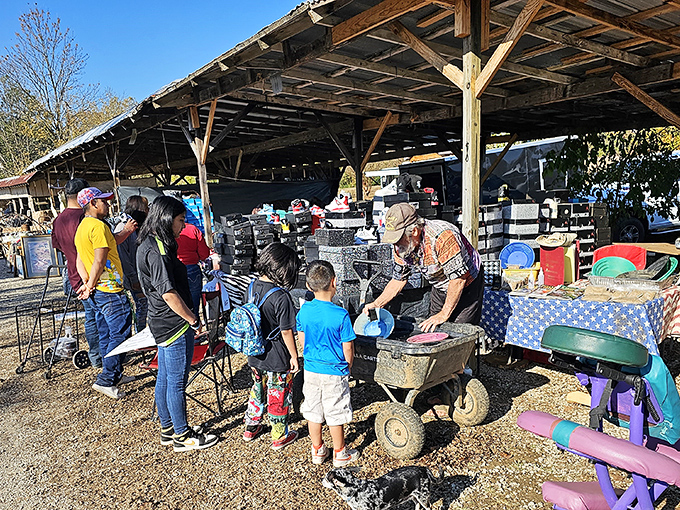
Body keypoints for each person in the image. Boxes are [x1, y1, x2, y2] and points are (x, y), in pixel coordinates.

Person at [136, 196, 218, 452]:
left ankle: (168, 429)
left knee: (165, 376)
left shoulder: (155, 243)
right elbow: (168, 293)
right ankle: (181, 436)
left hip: (165, 321)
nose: (183, 227)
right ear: (165, 218)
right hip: (172, 323)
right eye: (180, 221)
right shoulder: (155, 250)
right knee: (176, 381)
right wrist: (193, 319)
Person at [365, 203, 484, 332]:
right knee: (433, 328)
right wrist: (377, 304)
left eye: (399, 239)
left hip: (466, 282)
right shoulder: (401, 246)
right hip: (440, 282)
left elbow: (458, 279)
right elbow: (399, 279)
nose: (396, 245)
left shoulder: (442, 237)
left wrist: (444, 314)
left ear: (415, 231)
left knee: (460, 330)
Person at [296, 260, 359, 467]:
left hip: (311, 368)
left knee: (313, 409)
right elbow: (347, 346)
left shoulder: (304, 311)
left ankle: (318, 450)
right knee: (335, 411)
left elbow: (302, 338)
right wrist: (348, 364)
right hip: (334, 370)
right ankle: (340, 452)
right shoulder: (340, 315)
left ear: (308, 286)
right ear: (335, 282)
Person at [74, 187, 135, 399]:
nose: (108, 205)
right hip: (109, 289)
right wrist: (90, 284)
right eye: (104, 201)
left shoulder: (83, 227)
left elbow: (79, 259)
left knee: (107, 333)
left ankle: (113, 373)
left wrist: (86, 283)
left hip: (98, 291)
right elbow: (99, 260)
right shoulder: (98, 226)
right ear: (93, 204)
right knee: (120, 333)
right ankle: (107, 379)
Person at [243, 242, 301, 450]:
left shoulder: (250, 287)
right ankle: (278, 435)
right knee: (278, 393)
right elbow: (286, 331)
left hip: (254, 351)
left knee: (257, 387)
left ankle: (251, 425)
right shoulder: (281, 296)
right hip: (276, 354)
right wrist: (293, 356)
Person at [51, 178, 102, 368]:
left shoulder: (58, 220)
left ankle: (96, 356)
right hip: (92, 274)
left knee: (91, 316)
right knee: (101, 317)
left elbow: (58, 247)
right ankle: (103, 356)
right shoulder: (84, 218)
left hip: (73, 275)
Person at [118, 195, 149, 331]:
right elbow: (123, 256)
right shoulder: (123, 227)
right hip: (133, 276)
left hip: (141, 274)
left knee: (144, 306)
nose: (148, 210)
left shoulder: (139, 226)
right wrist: (133, 277)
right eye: (146, 208)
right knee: (141, 306)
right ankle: (139, 333)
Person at [176, 222, 216, 318]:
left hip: (175, 269)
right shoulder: (192, 229)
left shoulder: (166, 230)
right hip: (192, 268)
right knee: (194, 306)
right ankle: (195, 326)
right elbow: (204, 254)